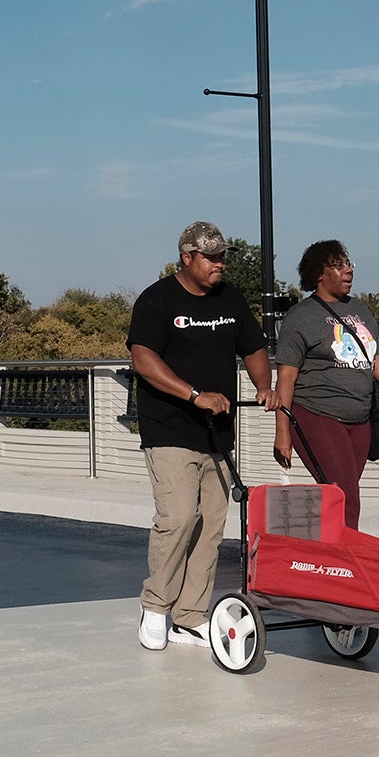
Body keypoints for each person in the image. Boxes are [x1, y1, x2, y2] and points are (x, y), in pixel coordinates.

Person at [127, 220, 276, 650]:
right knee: (177, 519)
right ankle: (155, 607)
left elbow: (253, 349)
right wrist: (194, 396)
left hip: (218, 433)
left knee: (211, 524)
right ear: (187, 257)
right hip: (169, 427)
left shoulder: (230, 299)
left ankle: (189, 614)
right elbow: (143, 359)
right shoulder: (157, 300)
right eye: (210, 257)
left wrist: (263, 386)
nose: (219, 263)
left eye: (222, 256)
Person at [272, 240, 379, 532]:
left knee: (340, 494)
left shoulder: (359, 309)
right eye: (339, 265)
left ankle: (327, 558)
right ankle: (346, 564)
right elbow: (286, 377)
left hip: (359, 420)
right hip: (317, 415)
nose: (348, 271)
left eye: (349, 265)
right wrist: (282, 432)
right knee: (345, 496)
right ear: (320, 273)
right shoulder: (301, 317)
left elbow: (378, 362)